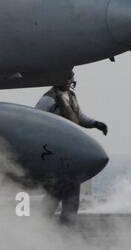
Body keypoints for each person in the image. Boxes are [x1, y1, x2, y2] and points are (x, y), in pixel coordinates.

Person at [36, 72, 108, 223]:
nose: (69, 81)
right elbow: (37, 119)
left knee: (72, 186)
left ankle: (67, 222)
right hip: (57, 151)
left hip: (71, 151)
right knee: (57, 189)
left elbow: (79, 117)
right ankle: (40, 222)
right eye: (66, 78)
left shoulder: (70, 95)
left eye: (70, 78)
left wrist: (95, 124)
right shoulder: (48, 99)